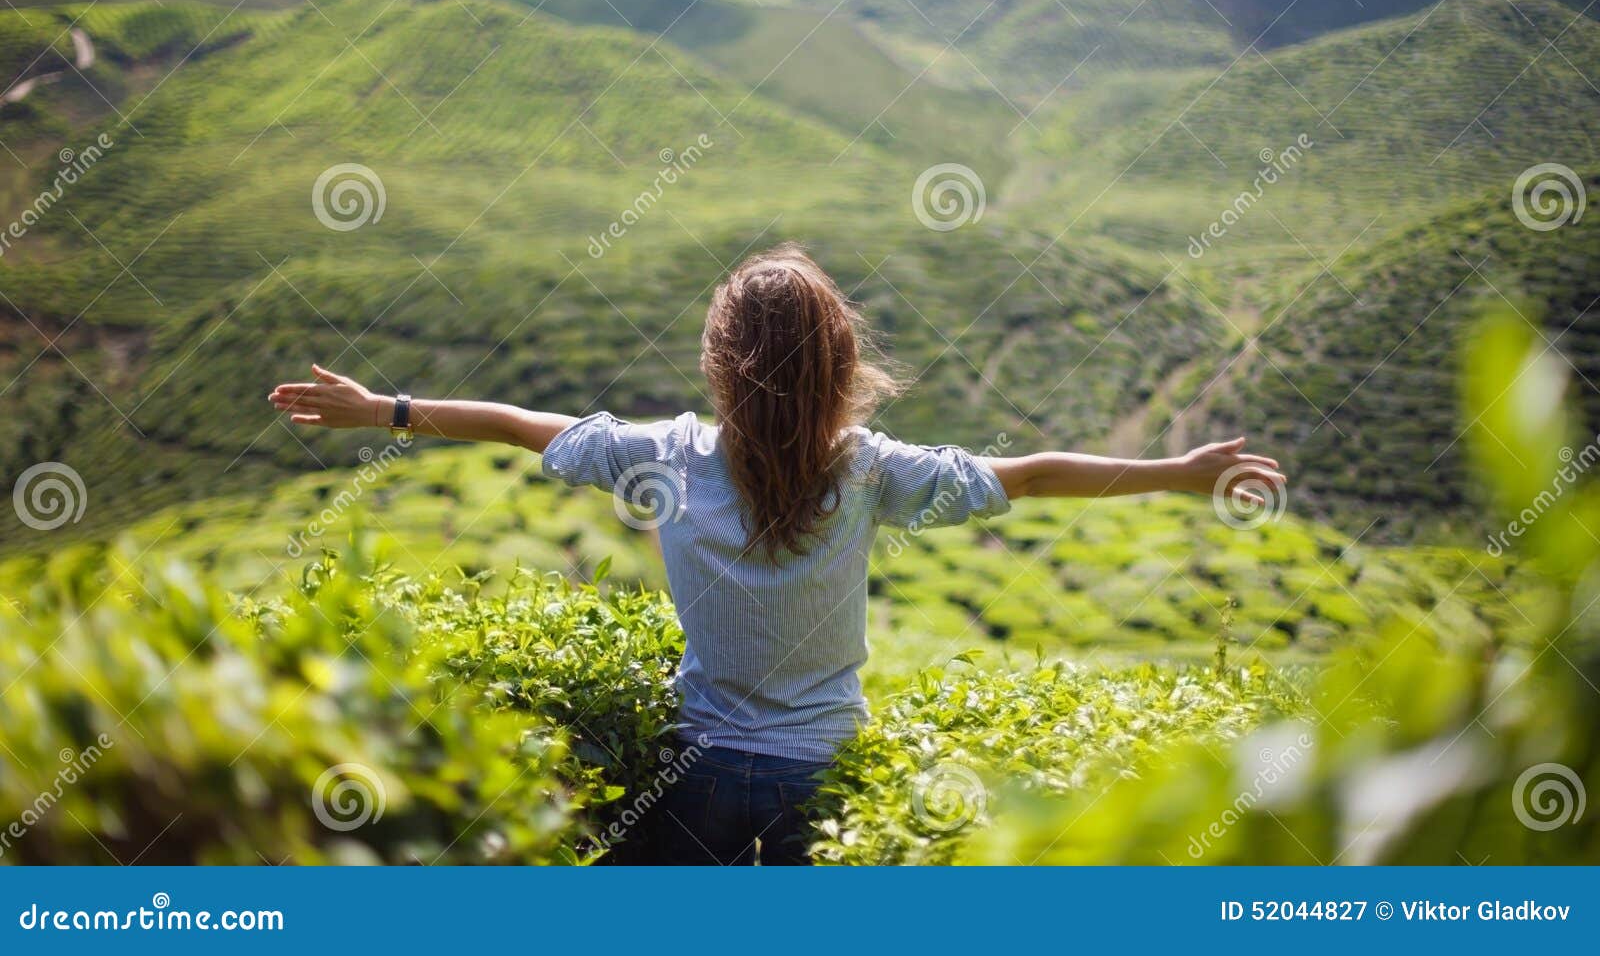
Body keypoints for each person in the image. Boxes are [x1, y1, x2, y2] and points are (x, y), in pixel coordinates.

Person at [268, 243, 1284, 865]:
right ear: (842, 364)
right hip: (827, 768)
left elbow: (516, 423)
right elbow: (1031, 474)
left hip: (696, 768)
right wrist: (1178, 472)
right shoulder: (871, 471)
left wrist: (386, 410)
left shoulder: (664, 457)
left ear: (719, 365)